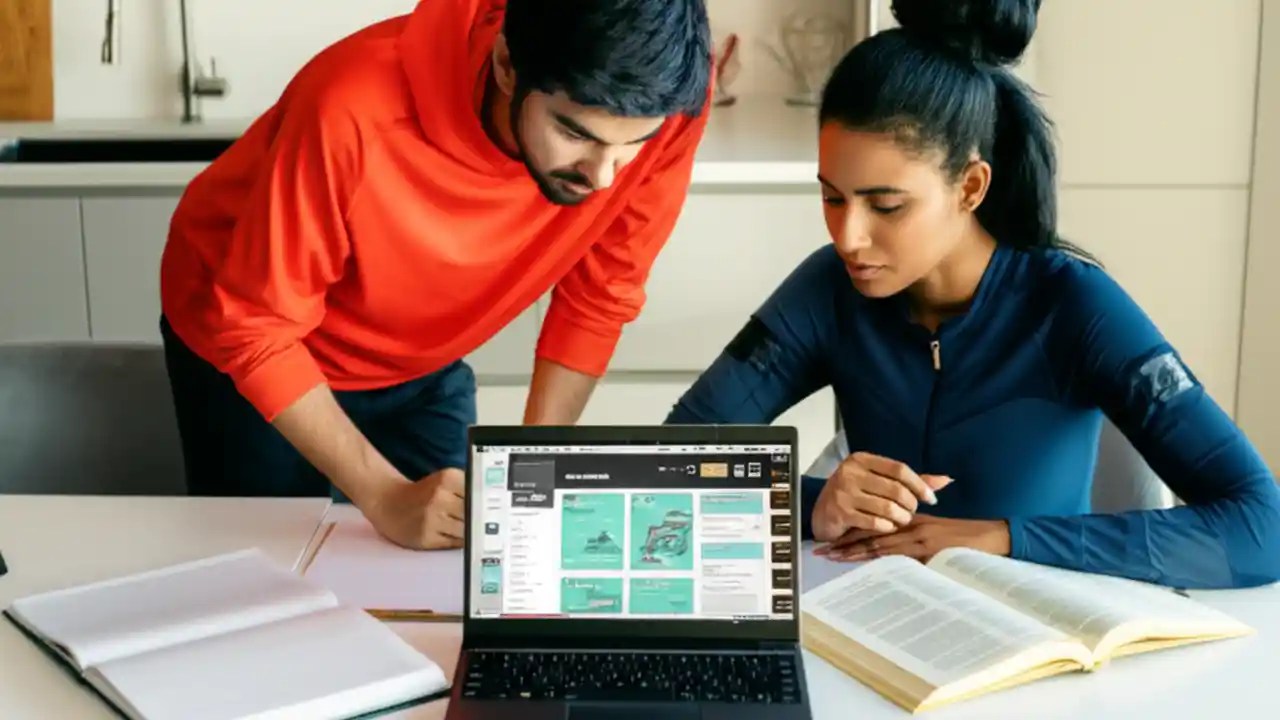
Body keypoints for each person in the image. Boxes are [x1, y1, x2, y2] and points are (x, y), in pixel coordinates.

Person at [664, 0, 1280, 590]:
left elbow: (1262, 526)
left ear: (970, 186)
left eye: (886, 205)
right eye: (831, 197)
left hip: (1036, 646)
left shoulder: (1075, 306)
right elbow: (670, 462)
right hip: (867, 630)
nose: (849, 237)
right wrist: (810, 501)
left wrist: (1002, 539)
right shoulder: (827, 290)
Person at [160, 0, 713, 550]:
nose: (603, 178)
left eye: (630, 147)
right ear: (506, 65)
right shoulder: (352, 109)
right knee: (272, 581)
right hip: (253, 343)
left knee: (458, 563)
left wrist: (536, 469)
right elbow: (255, 326)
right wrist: (381, 494)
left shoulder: (666, 101)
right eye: (576, 134)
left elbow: (601, 294)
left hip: (418, 358)